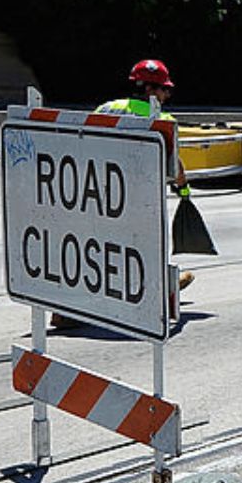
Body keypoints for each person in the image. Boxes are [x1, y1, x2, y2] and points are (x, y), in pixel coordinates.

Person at [51, 60, 194, 330]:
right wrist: (184, 190)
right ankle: (162, 289)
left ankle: (64, 309)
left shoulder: (106, 109)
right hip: (138, 202)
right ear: (152, 90)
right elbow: (175, 169)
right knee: (143, 252)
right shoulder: (162, 121)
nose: (166, 96)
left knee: (92, 252)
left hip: (95, 196)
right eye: (165, 90)